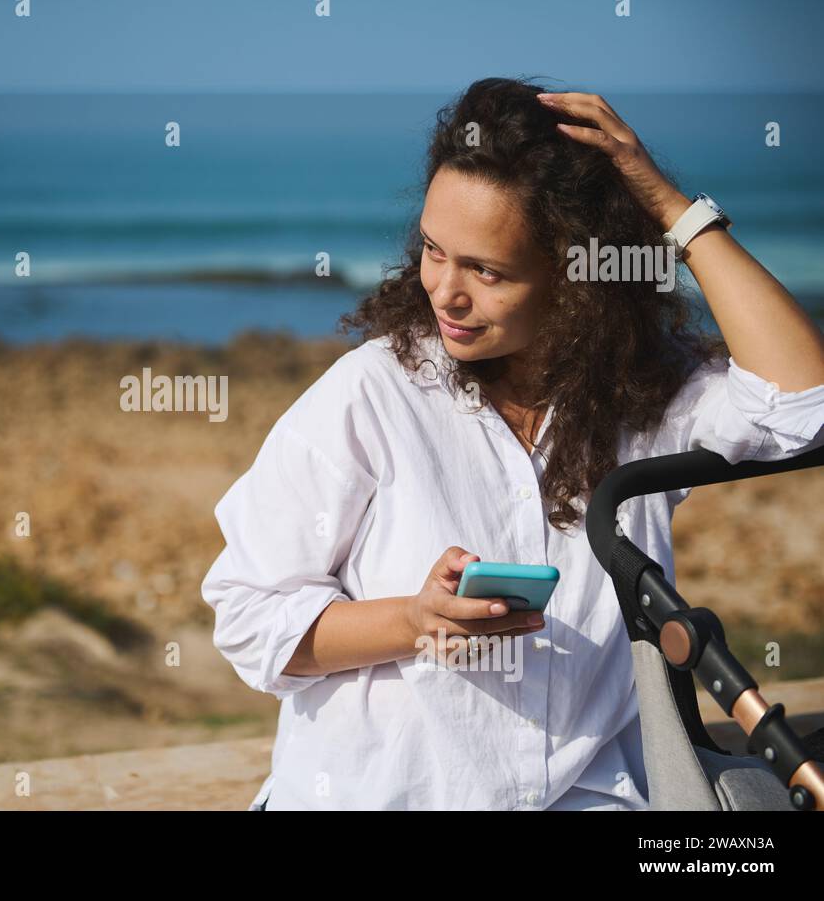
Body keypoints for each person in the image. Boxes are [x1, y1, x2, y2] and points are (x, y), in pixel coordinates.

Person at [202, 77, 824, 811]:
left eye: (486, 271)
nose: (445, 293)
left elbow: (802, 409)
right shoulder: (371, 393)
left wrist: (673, 211)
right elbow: (248, 617)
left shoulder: (645, 395)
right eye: (434, 251)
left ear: (576, 281)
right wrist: (410, 622)